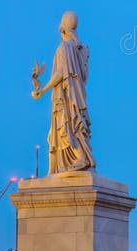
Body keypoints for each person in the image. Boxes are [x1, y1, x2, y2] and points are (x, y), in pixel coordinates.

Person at [32, 11, 95, 174]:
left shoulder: (64, 48)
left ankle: (80, 157)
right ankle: (72, 162)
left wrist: (43, 90)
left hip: (65, 97)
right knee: (72, 127)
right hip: (77, 96)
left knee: (65, 128)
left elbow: (60, 73)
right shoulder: (79, 49)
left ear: (61, 28)